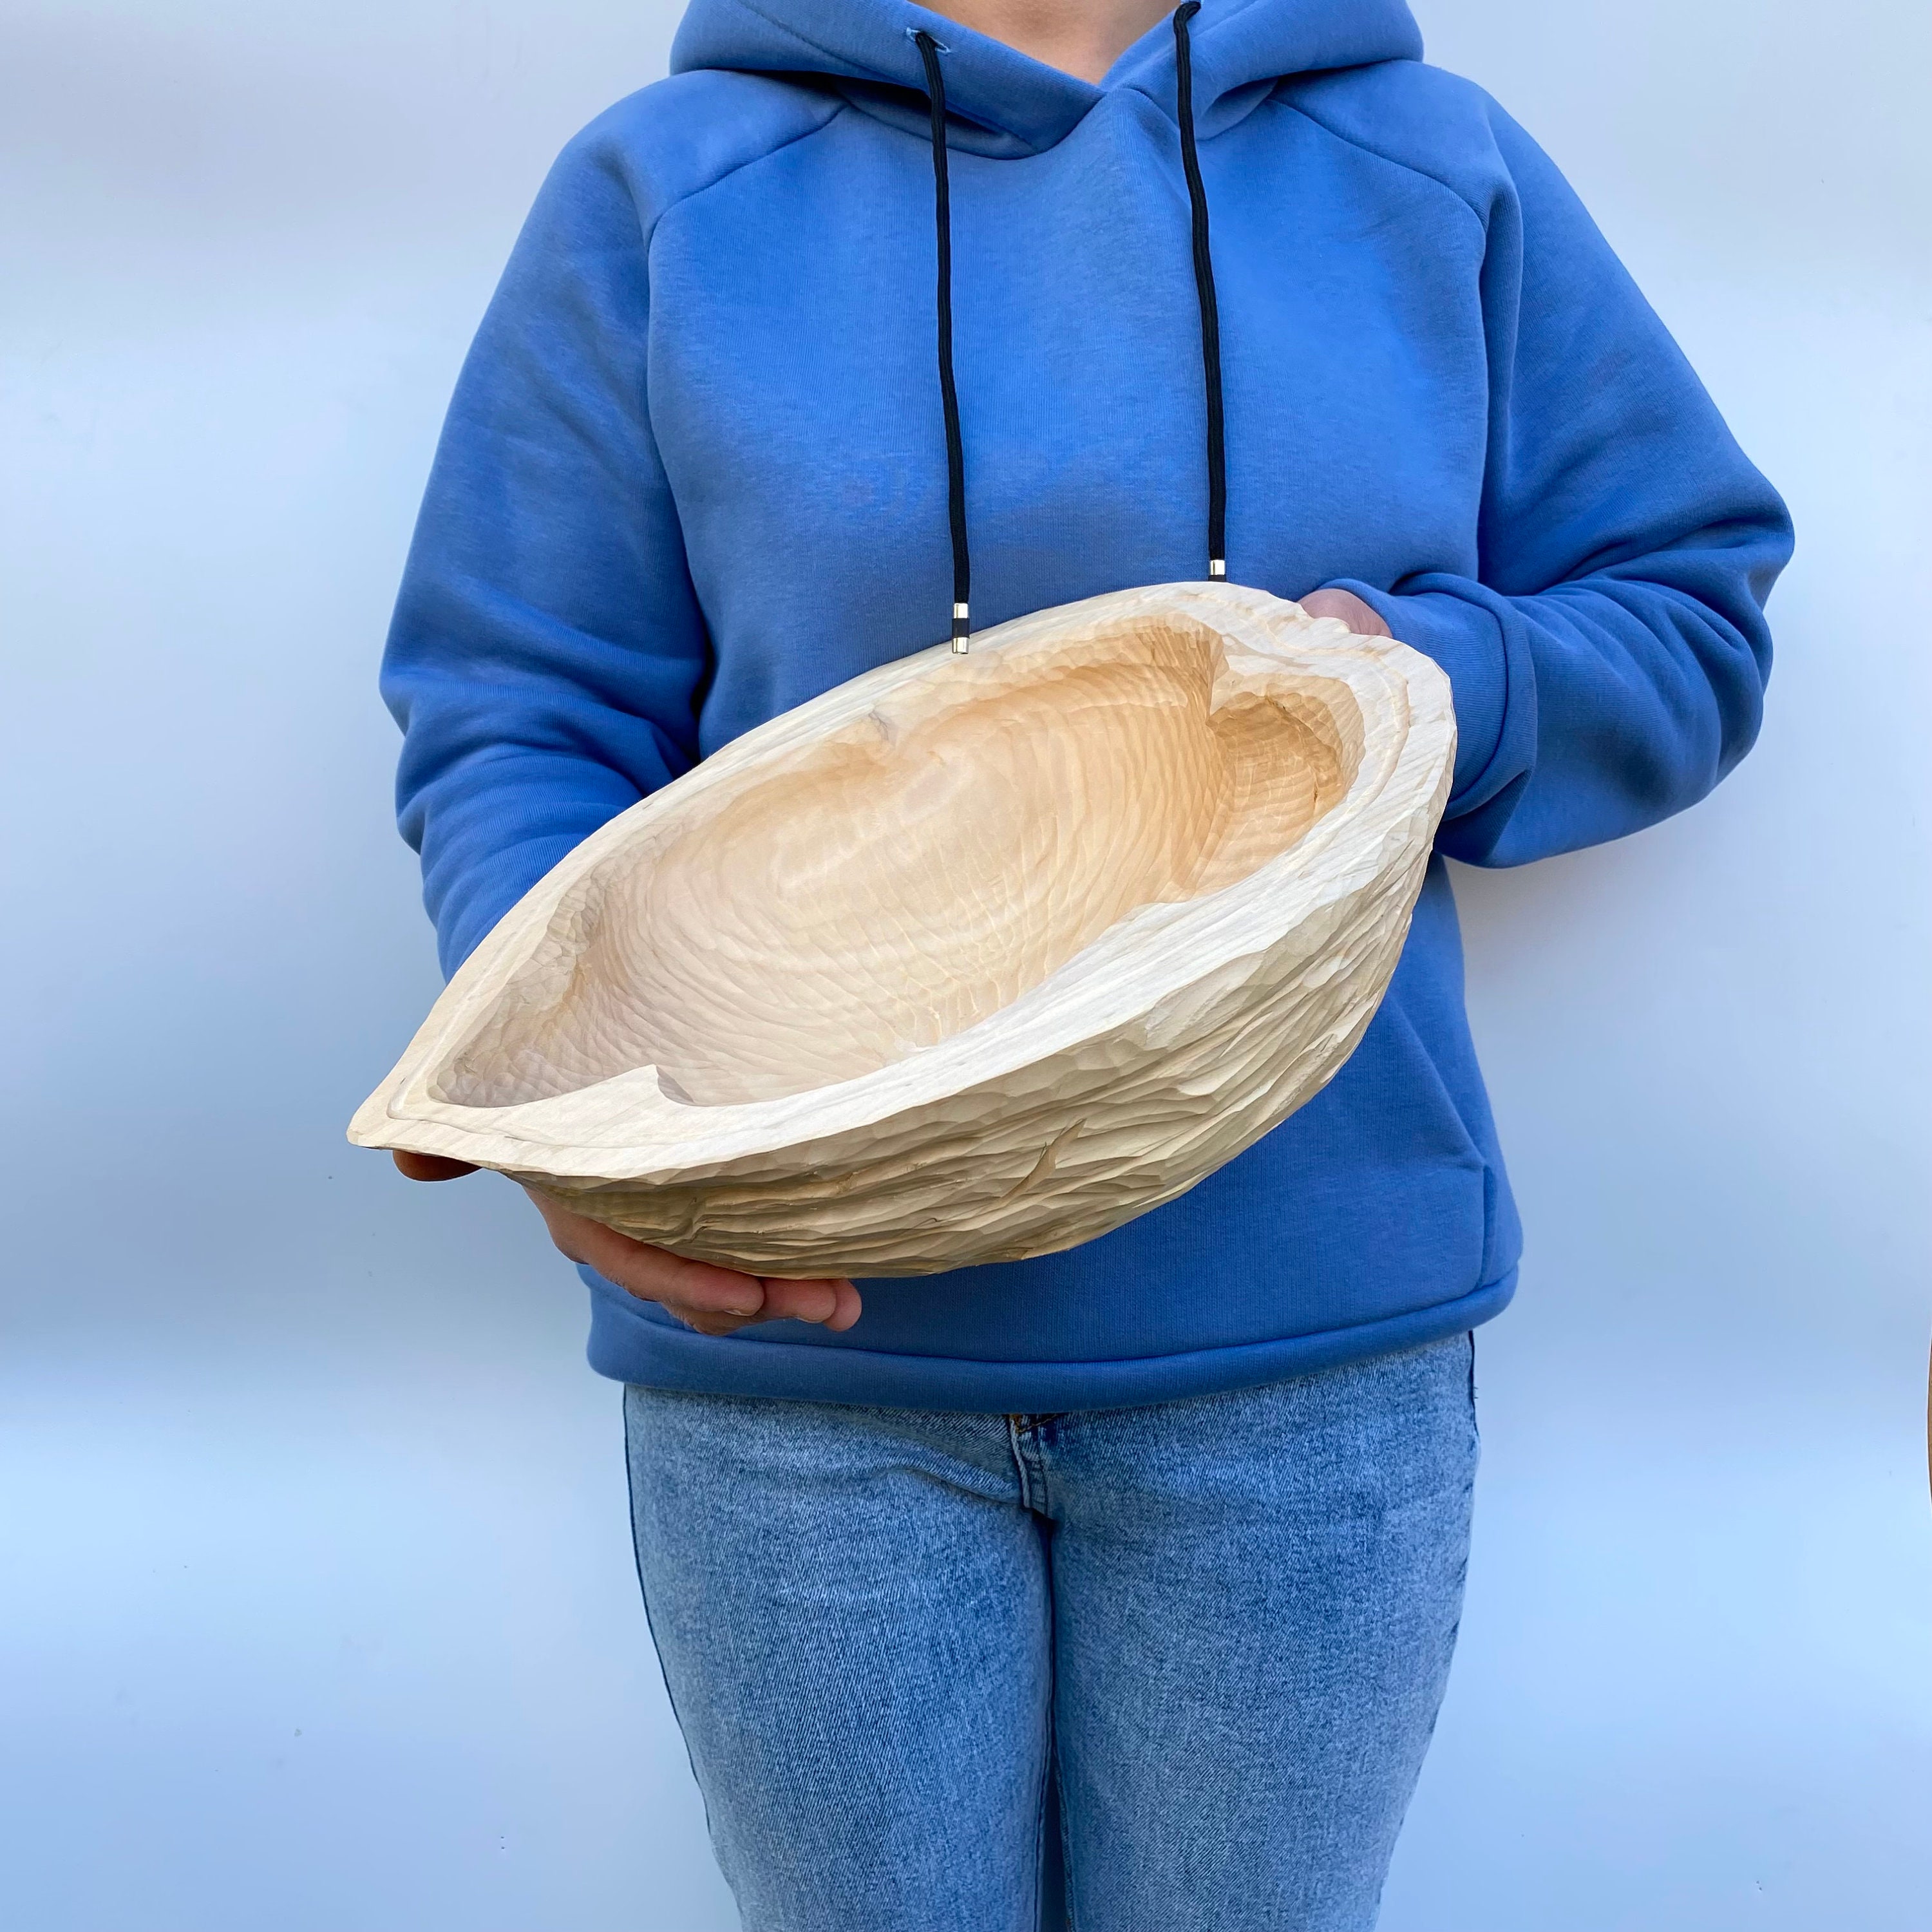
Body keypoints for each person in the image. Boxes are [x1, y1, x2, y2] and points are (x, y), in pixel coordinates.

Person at [377, 0, 1792, 1922]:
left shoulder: (1428, 164)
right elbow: (517, 704)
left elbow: (1686, 606)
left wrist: (1420, 685)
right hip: (803, 1367)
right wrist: (565, 1095)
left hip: (1305, 1365)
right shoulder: (667, 191)